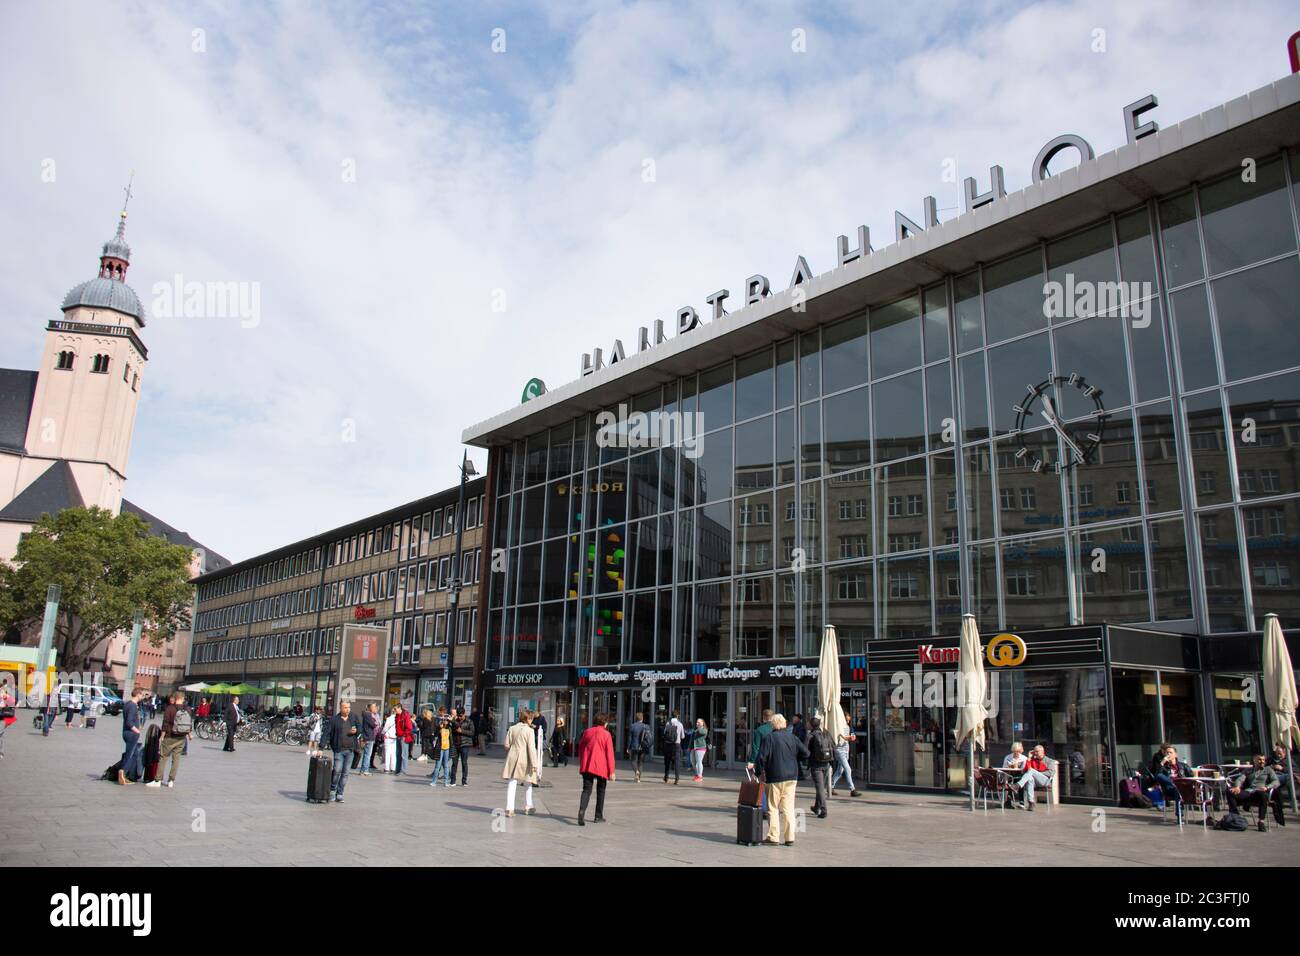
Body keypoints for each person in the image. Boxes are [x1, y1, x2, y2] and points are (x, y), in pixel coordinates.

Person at [755, 714, 808, 846]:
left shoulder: (770, 738)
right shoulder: (792, 737)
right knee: (788, 808)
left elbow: (762, 758)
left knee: (772, 807)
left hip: (774, 776)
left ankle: (773, 836)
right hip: (791, 777)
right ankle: (790, 837)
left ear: (773, 724)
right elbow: (806, 753)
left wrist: (759, 772)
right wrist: (795, 760)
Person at [577, 712, 616, 826]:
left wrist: (582, 761)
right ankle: (598, 815)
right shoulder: (606, 734)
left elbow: (581, 747)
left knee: (586, 790)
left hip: (588, 765)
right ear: (604, 722)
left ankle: (582, 810)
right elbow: (610, 754)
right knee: (601, 790)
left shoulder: (587, 732)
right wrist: (612, 771)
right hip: (601, 766)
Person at [1227, 754, 1283, 830]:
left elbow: (1276, 781)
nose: (1262, 761)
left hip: (1260, 792)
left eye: (1263, 760)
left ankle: (1261, 821)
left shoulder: (1268, 770)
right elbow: (1240, 779)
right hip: (1249, 792)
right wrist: (1237, 787)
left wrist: (1267, 787)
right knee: (1230, 792)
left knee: (1262, 795)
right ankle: (1235, 816)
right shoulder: (1249, 770)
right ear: (1254, 760)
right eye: (1259, 759)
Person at [148, 692, 191, 788]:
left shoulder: (170, 708)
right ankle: (171, 781)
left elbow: (165, 723)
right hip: (181, 737)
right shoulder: (187, 709)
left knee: (163, 758)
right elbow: (188, 723)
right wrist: (189, 734)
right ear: (183, 699)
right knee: (176, 759)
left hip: (170, 736)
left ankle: (158, 780)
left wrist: (162, 736)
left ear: (175, 698)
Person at [502, 709, 540, 817]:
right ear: (526, 718)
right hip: (525, 758)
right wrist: (534, 764)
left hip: (512, 756)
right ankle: (528, 805)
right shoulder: (529, 731)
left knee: (512, 782)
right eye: (530, 718)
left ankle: (509, 808)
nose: (532, 720)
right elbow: (532, 749)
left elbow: (506, 745)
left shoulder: (512, 728)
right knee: (528, 781)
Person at [325, 700, 363, 803]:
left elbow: (360, 727)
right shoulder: (334, 720)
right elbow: (327, 733)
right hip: (338, 749)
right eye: (345, 708)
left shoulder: (353, 717)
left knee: (345, 773)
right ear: (341, 708)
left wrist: (357, 731)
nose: (348, 710)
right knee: (337, 770)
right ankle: (332, 790)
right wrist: (320, 747)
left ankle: (340, 793)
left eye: (349, 707)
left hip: (350, 750)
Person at [806, 715, 834, 818]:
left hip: (815, 765)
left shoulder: (811, 735)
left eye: (808, 723)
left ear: (811, 725)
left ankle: (823, 810)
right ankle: (816, 807)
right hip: (826, 763)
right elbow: (833, 747)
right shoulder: (826, 734)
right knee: (821, 787)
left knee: (820, 788)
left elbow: (805, 750)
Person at [1149, 743, 1184, 821]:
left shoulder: (1182, 766)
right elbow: (1157, 775)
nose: (1168, 754)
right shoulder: (1164, 767)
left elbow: (1191, 776)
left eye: (1170, 753)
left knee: (1178, 790)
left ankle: (1180, 817)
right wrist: (1162, 762)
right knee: (1161, 776)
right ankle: (1180, 817)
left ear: (1176, 755)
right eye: (1167, 753)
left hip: (1181, 788)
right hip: (1170, 788)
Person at [118, 688, 146, 786]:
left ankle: (125, 775)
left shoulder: (127, 704)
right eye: (142, 695)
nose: (143, 697)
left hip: (126, 732)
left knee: (133, 754)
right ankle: (123, 772)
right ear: (138, 694)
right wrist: (136, 730)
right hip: (131, 734)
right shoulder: (133, 706)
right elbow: (129, 722)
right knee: (130, 754)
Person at [830, 708, 860, 797]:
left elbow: (852, 735)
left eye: (848, 720)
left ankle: (830, 786)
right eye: (846, 720)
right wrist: (849, 738)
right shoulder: (838, 727)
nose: (847, 722)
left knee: (840, 770)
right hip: (839, 750)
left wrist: (853, 737)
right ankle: (852, 789)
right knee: (848, 769)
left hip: (846, 750)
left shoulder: (848, 727)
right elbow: (841, 736)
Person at [1015, 744, 1054, 811]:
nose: (1035, 753)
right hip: (1035, 781)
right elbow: (1026, 770)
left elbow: (1050, 773)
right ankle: (1031, 802)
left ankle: (1017, 785)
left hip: (1045, 781)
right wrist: (1029, 758)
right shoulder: (1033, 760)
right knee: (1030, 779)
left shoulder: (1049, 761)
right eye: (1034, 751)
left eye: (1037, 751)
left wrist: (1037, 773)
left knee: (1032, 771)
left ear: (1042, 751)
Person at [449, 707, 474, 786]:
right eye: (458, 716)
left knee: (464, 763)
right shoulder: (455, 721)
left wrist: (462, 731)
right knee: (454, 763)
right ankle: (453, 781)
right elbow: (452, 731)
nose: (459, 717)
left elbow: (472, 732)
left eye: (461, 715)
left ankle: (464, 781)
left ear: (464, 714)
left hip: (465, 744)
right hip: (456, 744)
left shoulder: (469, 721)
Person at [746, 709, 775, 776]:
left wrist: (752, 761)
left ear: (764, 717)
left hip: (764, 760)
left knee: (763, 782)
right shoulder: (777, 728)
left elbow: (756, 748)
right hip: (776, 760)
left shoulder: (760, 730)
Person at [429, 707, 452, 787]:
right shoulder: (438, 723)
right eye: (444, 719)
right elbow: (435, 733)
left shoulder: (449, 726)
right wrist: (439, 727)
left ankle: (446, 781)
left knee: (446, 765)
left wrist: (450, 721)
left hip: (447, 747)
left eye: (446, 718)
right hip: (440, 746)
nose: (444, 720)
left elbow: (452, 732)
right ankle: (434, 781)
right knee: (437, 765)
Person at [626, 711, 651, 782]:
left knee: (633, 761)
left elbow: (630, 738)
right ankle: (639, 778)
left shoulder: (633, 726)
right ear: (642, 718)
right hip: (643, 747)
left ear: (636, 718)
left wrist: (628, 747)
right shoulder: (646, 726)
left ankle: (636, 771)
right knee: (640, 763)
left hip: (635, 746)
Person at [662, 710, 684, 784]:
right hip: (676, 744)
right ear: (678, 716)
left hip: (668, 744)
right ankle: (676, 778)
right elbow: (683, 736)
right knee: (677, 761)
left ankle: (666, 777)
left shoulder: (668, 723)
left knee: (667, 761)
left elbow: (664, 733)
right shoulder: (680, 724)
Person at [358, 702, 379, 774]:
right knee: (367, 754)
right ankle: (365, 770)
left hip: (367, 736)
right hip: (369, 736)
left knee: (366, 754)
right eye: (373, 707)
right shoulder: (368, 715)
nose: (375, 708)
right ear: (370, 708)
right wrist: (375, 721)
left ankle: (363, 770)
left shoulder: (366, 714)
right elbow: (373, 724)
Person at [393, 704, 414, 775]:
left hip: (404, 736)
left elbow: (409, 727)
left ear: (399, 708)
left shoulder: (405, 715)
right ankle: (398, 769)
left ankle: (403, 770)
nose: (394, 711)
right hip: (398, 736)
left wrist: (404, 735)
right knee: (398, 754)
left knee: (404, 754)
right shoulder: (397, 716)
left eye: (395, 709)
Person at [688, 718, 709, 782]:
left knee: (699, 762)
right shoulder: (695, 730)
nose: (697, 723)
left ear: (702, 723)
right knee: (692, 761)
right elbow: (692, 739)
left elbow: (700, 732)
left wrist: (700, 727)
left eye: (699, 722)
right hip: (693, 747)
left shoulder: (704, 730)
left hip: (701, 748)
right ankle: (697, 774)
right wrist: (689, 747)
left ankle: (700, 776)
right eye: (697, 722)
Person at [791, 713, 808, 780]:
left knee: (796, 760)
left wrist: (795, 741)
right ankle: (800, 775)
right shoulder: (796, 725)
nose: (793, 719)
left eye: (794, 718)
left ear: (798, 719)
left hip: (797, 746)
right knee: (796, 761)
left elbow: (800, 737)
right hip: (796, 745)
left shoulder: (800, 726)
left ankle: (800, 775)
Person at [382, 706, 399, 773]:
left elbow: (385, 728)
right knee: (393, 753)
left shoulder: (389, 719)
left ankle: (386, 768)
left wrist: (382, 733)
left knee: (387, 753)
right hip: (395, 737)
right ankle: (393, 768)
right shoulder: (398, 719)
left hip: (388, 737)